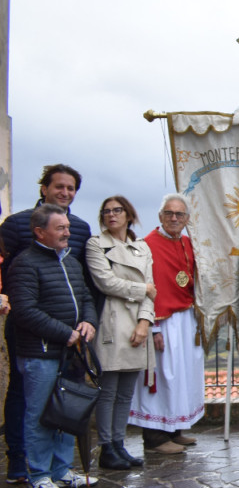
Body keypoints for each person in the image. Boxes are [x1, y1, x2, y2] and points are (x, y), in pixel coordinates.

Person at [1, 164, 92, 484]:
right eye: (59, 186)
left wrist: (87, 323)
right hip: (33, 336)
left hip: (70, 339)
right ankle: (22, 464)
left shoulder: (79, 229)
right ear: (44, 189)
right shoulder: (15, 226)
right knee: (25, 399)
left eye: (71, 188)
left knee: (65, 403)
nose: (65, 192)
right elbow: (13, 283)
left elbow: (83, 287)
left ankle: (59, 468)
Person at [85, 196, 156, 471]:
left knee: (126, 392)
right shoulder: (96, 245)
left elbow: (153, 288)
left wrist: (144, 322)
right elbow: (105, 282)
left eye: (117, 210)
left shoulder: (141, 247)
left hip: (137, 324)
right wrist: (141, 290)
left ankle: (119, 443)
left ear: (129, 214)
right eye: (106, 211)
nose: (111, 215)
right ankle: (106, 447)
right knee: (109, 389)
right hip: (112, 322)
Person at [131, 195, 205, 453]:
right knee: (162, 377)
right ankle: (155, 438)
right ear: (160, 216)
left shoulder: (187, 243)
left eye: (180, 214)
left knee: (182, 376)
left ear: (186, 219)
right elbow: (148, 288)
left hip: (185, 319)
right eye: (169, 213)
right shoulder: (147, 245)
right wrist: (153, 327)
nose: (175, 218)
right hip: (161, 321)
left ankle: (175, 428)